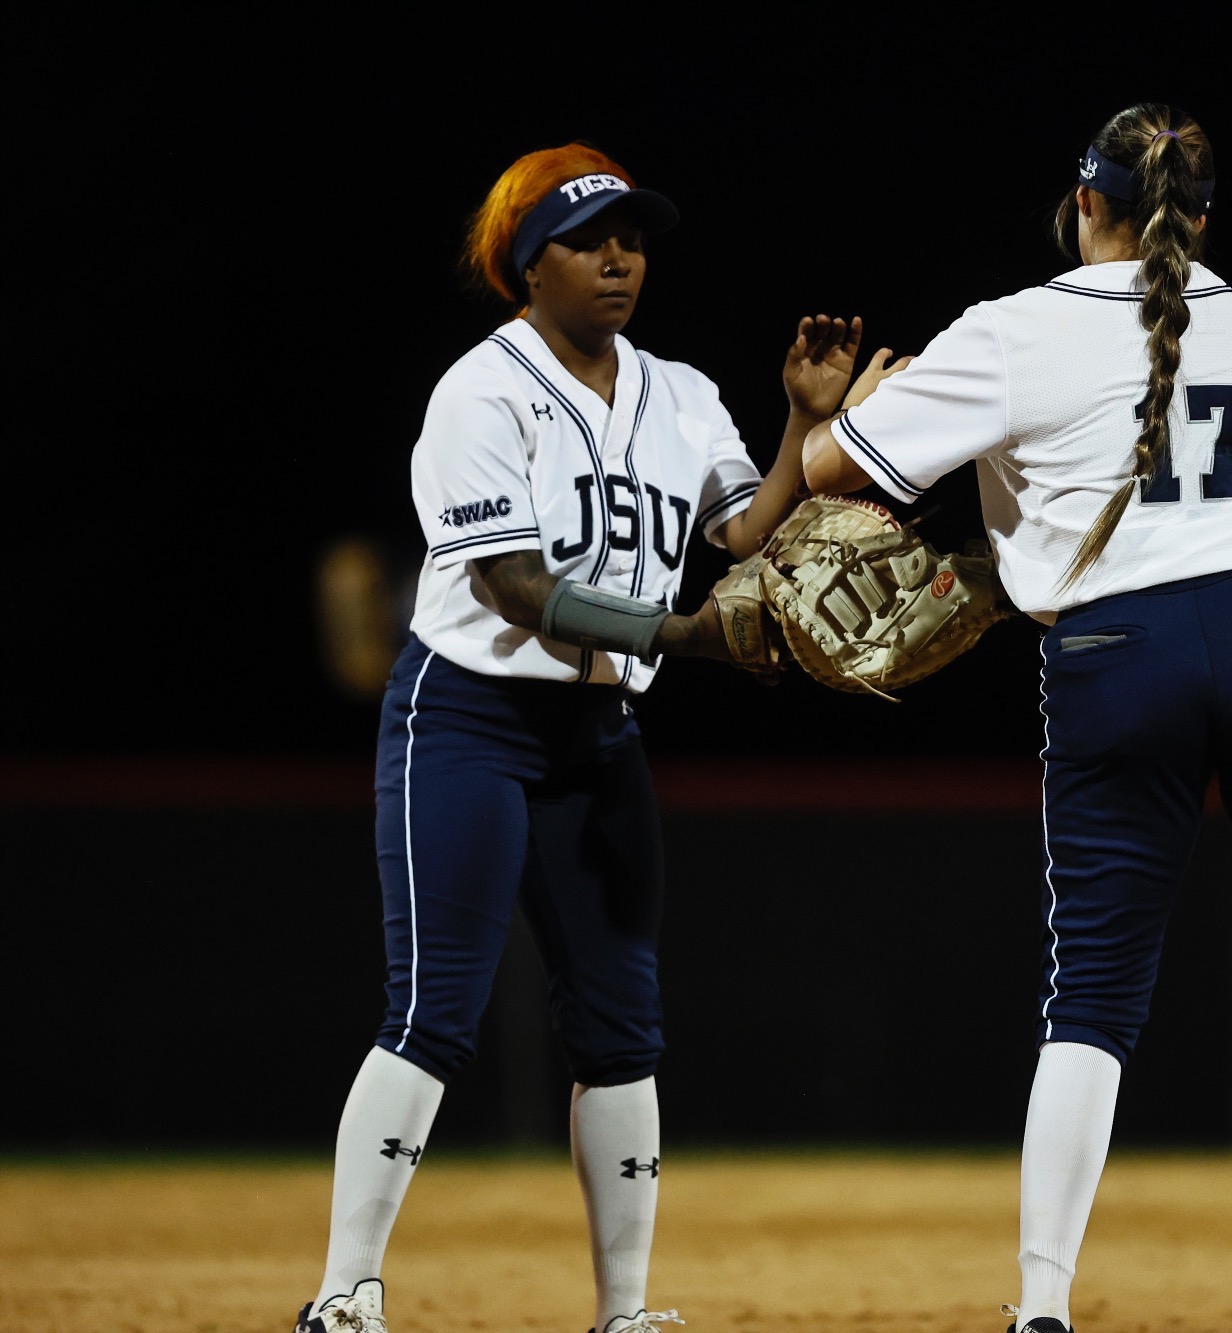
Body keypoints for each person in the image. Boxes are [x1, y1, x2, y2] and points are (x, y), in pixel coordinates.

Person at [802, 105, 1232, 1333]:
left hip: (1119, 650)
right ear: (1203, 216)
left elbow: (831, 473)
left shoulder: (1014, 330)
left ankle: (1039, 1307)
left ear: (1084, 203)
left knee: (1091, 995)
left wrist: (835, 406)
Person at [295, 142, 864, 1333]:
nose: (620, 258)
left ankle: (624, 1311)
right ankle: (345, 1293)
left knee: (621, 1023)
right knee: (431, 1015)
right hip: (466, 717)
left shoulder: (680, 389)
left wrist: (799, 432)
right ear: (523, 262)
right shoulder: (479, 392)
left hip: (595, 735)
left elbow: (743, 532)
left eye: (634, 237)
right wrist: (686, 636)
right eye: (589, 237)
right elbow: (509, 584)